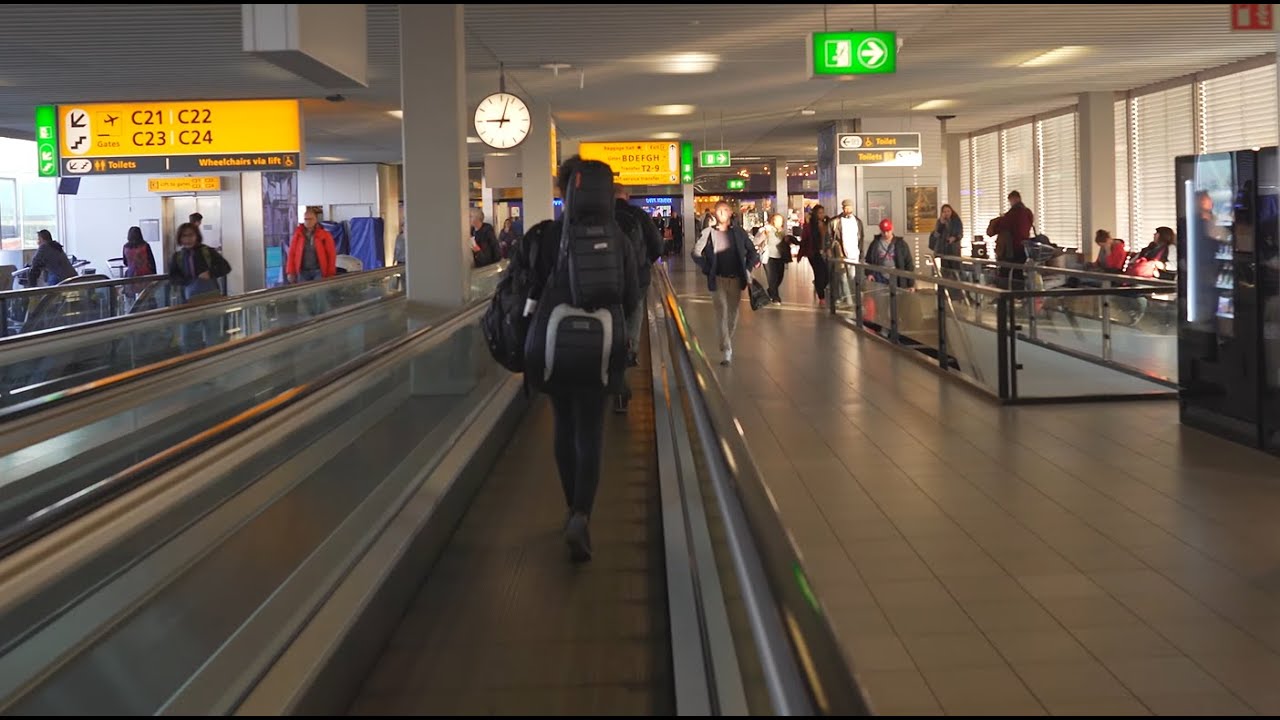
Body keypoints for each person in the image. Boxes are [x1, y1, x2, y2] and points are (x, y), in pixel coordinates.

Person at [511, 156, 639, 562]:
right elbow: (632, 295)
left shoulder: (545, 236)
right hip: (601, 350)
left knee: (563, 425)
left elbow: (522, 288)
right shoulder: (618, 237)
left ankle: (570, 507)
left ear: (563, 191)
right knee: (591, 432)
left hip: (553, 346)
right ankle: (583, 513)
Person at [614, 184, 664, 413]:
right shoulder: (639, 216)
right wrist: (643, 266)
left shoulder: (597, 216)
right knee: (632, 321)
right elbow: (657, 246)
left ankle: (609, 375)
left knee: (610, 327)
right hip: (636, 282)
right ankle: (629, 352)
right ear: (628, 196)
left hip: (605, 284)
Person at [693, 199, 761, 365]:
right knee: (721, 311)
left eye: (725, 210)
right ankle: (727, 349)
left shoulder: (739, 233)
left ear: (730, 212)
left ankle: (726, 342)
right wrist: (707, 268)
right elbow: (695, 253)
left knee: (732, 314)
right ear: (715, 214)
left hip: (736, 279)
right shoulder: (708, 232)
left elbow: (753, 252)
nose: (722, 213)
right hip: (718, 279)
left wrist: (748, 268)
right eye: (719, 210)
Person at [168, 222, 232, 351]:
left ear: (197, 236)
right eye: (184, 236)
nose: (188, 239)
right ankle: (192, 363)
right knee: (188, 336)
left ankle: (211, 361)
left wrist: (211, 273)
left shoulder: (207, 251)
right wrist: (185, 281)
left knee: (212, 334)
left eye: (191, 235)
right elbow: (173, 276)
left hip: (210, 300)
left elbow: (225, 267)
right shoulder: (178, 256)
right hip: (188, 302)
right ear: (180, 238)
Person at [286, 206, 337, 283]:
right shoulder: (297, 235)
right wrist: (290, 272)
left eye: (310, 219)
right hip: (302, 272)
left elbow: (331, 255)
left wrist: (331, 273)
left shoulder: (325, 235)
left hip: (319, 271)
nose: (308, 221)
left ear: (316, 220)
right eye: (306, 219)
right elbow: (291, 254)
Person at [757, 213, 798, 303]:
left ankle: (771, 290)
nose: (780, 222)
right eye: (777, 220)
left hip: (780, 256)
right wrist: (764, 235)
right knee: (772, 277)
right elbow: (756, 240)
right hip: (769, 257)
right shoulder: (766, 229)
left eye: (781, 221)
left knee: (780, 276)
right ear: (773, 220)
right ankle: (775, 297)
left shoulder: (781, 231)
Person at [864, 218, 915, 288]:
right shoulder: (875, 244)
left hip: (897, 278)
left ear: (892, 229)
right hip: (880, 277)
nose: (886, 234)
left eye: (888, 231)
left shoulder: (901, 244)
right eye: (883, 231)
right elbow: (868, 260)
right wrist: (869, 274)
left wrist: (910, 284)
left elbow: (908, 263)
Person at [799, 204, 830, 301]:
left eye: (822, 213)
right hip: (813, 252)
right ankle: (821, 296)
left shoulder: (826, 223)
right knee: (819, 272)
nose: (821, 215)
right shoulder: (810, 225)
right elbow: (806, 238)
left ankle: (819, 286)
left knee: (826, 274)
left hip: (822, 252)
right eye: (819, 213)